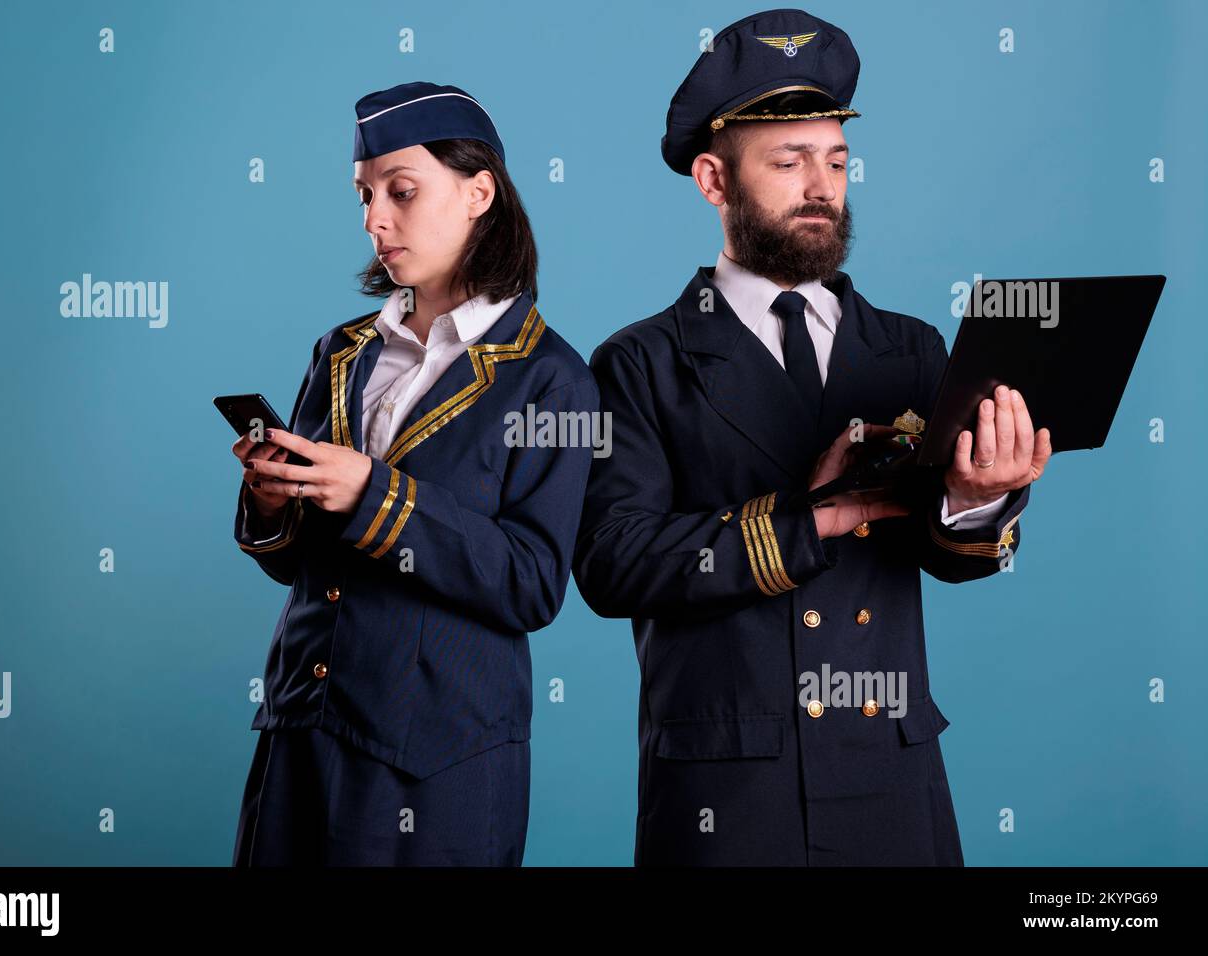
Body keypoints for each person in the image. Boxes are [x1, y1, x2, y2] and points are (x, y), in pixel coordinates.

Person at [572, 9, 1052, 865]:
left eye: (835, 161)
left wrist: (980, 502)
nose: (820, 186)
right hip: (728, 787)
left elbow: (944, 554)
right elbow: (612, 563)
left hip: (890, 771)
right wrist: (810, 517)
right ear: (714, 180)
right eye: (788, 163)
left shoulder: (911, 348)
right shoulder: (640, 361)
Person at [229, 81, 599, 866]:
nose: (374, 220)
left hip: (438, 760)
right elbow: (297, 564)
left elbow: (532, 583)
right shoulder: (342, 349)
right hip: (300, 723)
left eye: (401, 191)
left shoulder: (553, 379)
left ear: (479, 192)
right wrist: (273, 501)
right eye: (364, 196)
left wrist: (375, 494)